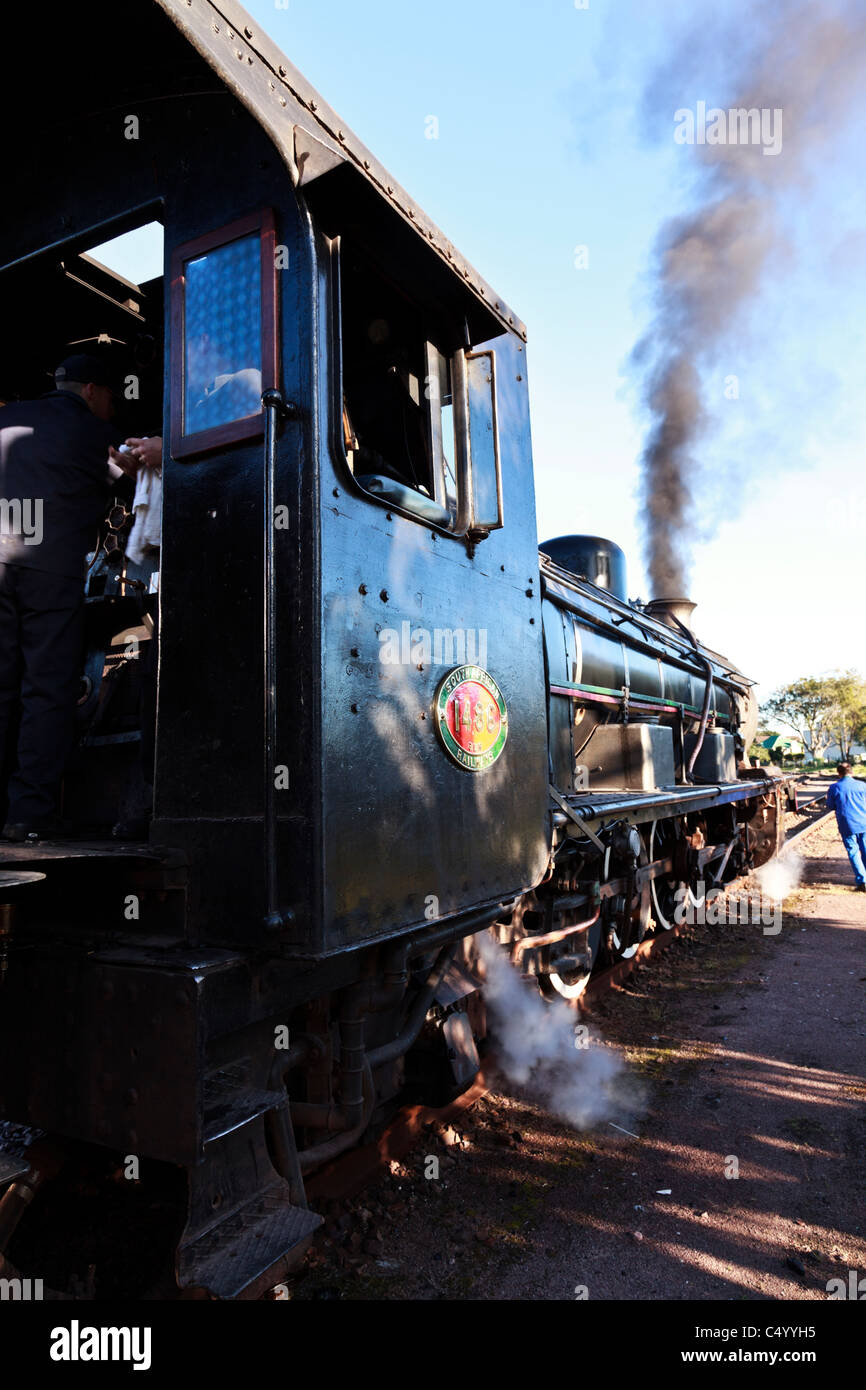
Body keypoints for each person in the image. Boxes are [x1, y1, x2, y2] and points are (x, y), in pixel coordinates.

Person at [0, 354, 142, 841]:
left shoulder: (6, 417)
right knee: (45, 689)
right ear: (91, 392)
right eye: (109, 398)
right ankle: (26, 816)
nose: (111, 408)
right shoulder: (92, 433)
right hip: (47, 569)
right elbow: (139, 485)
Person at [826, 763, 866, 892]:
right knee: (865, 849)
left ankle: (862, 881)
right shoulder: (862, 785)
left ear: (839, 773)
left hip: (847, 824)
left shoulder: (834, 787)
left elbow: (831, 806)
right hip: (864, 822)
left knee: (853, 851)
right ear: (852, 772)